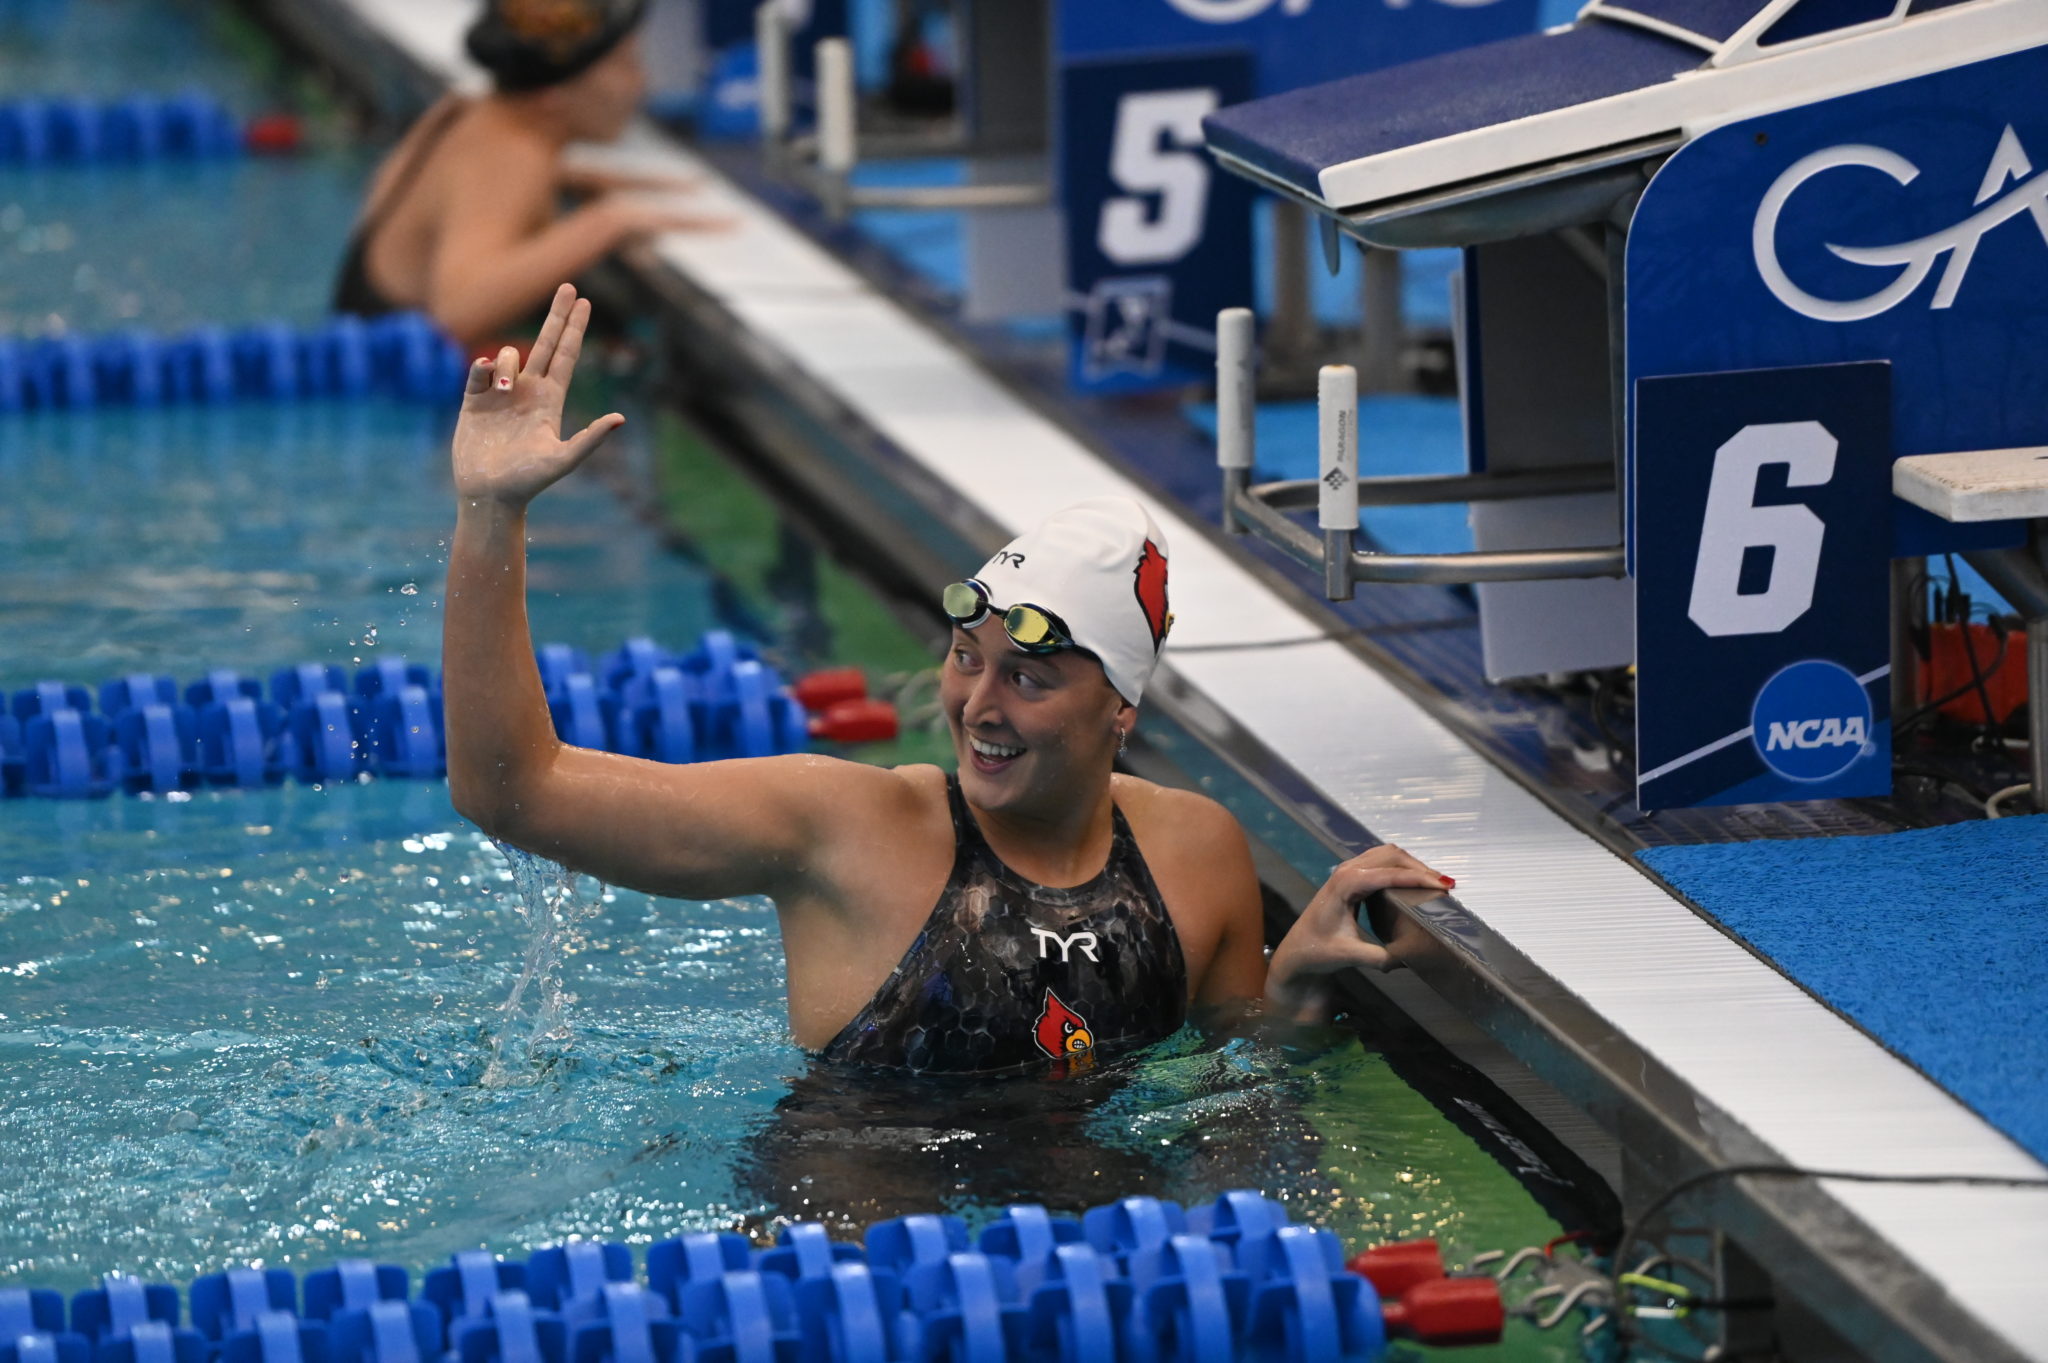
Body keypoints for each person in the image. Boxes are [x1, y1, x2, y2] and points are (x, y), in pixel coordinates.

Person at [444, 284, 1456, 1077]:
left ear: (1121, 706)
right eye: (967, 660)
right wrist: (492, 516)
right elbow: (513, 790)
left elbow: (1232, 1087)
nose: (978, 704)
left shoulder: (1198, 854)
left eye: (1029, 678)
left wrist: (1297, 980)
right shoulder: (840, 827)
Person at [333, 0, 721, 348]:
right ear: (552, 93)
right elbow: (456, 313)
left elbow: (433, 186)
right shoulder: (513, 156)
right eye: (625, 66)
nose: (642, 85)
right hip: (399, 378)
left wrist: (577, 178)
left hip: (357, 342)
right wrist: (608, 222)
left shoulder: (471, 111)